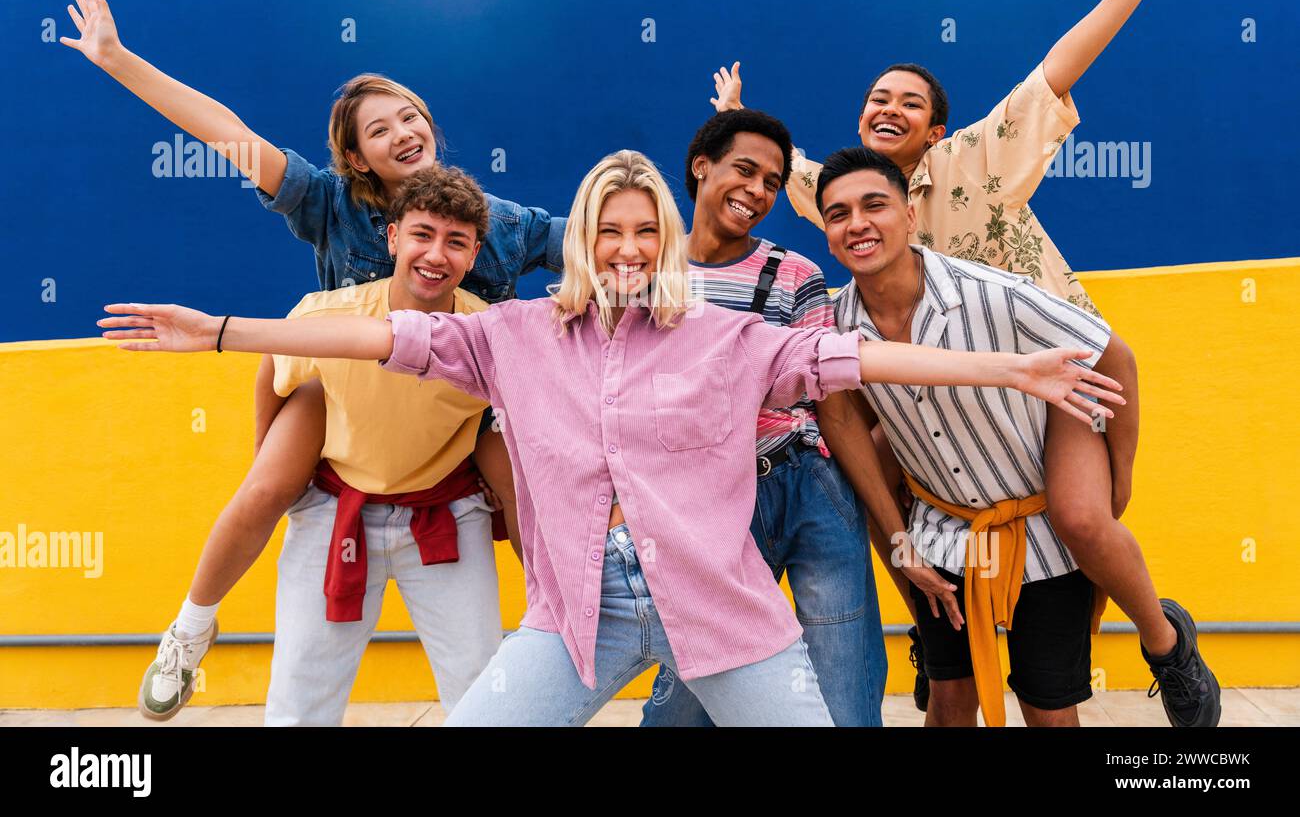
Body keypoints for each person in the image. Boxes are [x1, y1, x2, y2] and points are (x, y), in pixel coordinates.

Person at [100, 150, 1124, 727]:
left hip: (719, 612)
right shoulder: (510, 337)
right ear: (584, 241)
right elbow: (375, 335)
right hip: (578, 615)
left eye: (644, 231)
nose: (627, 248)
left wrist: (1011, 367)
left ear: (662, 242)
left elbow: (856, 367)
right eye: (609, 230)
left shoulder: (728, 338)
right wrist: (222, 333)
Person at [709, 0, 1207, 716]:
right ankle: (932, 621)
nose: (888, 107)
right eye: (877, 97)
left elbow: (1059, 68)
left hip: (1046, 377)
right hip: (938, 391)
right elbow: (784, 165)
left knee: (1081, 521)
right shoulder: (853, 198)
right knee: (854, 460)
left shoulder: (978, 158)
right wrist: (732, 120)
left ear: (937, 128)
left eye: (909, 100)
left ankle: (1167, 644)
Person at [60, 0, 563, 718]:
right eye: (379, 128)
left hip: (451, 407)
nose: (401, 131)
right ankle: (191, 626)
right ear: (356, 157)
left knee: (521, 482)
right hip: (344, 391)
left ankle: (568, 618)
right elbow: (228, 135)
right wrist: (118, 60)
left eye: (410, 116)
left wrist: (688, 247)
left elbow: (594, 239)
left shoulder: (493, 221)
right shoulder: (330, 204)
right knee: (267, 485)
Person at [816, 145, 1220, 727]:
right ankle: (932, 653)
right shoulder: (834, 329)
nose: (857, 223)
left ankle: (1168, 646)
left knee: (1047, 710)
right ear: (827, 232)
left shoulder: (995, 294)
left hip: (1043, 538)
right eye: (838, 213)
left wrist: (1119, 474)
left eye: (874, 205)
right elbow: (853, 431)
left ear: (908, 215)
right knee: (952, 702)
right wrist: (903, 546)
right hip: (942, 534)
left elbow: (1115, 357)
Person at [639, 108, 905, 727]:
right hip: (711, 506)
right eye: (745, 171)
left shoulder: (795, 274)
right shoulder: (647, 276)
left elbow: (834, 408)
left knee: (844, 689)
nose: (757, 191)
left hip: (812, 484)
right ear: (700, 167)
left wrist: (895, 532)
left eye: (772, 180)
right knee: (686, 696)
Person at [268, 165, 503, 724]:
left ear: (473, 257)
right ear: (393, 237)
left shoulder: (491, 333)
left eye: (456, 242)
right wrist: (275, 478)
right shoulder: (326, 315)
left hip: (446, 512)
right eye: (422, 234)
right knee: (300, 694)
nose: (437, 254)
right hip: (335, 507)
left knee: (486, 689)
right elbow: (271, 373)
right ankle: (192, 624)